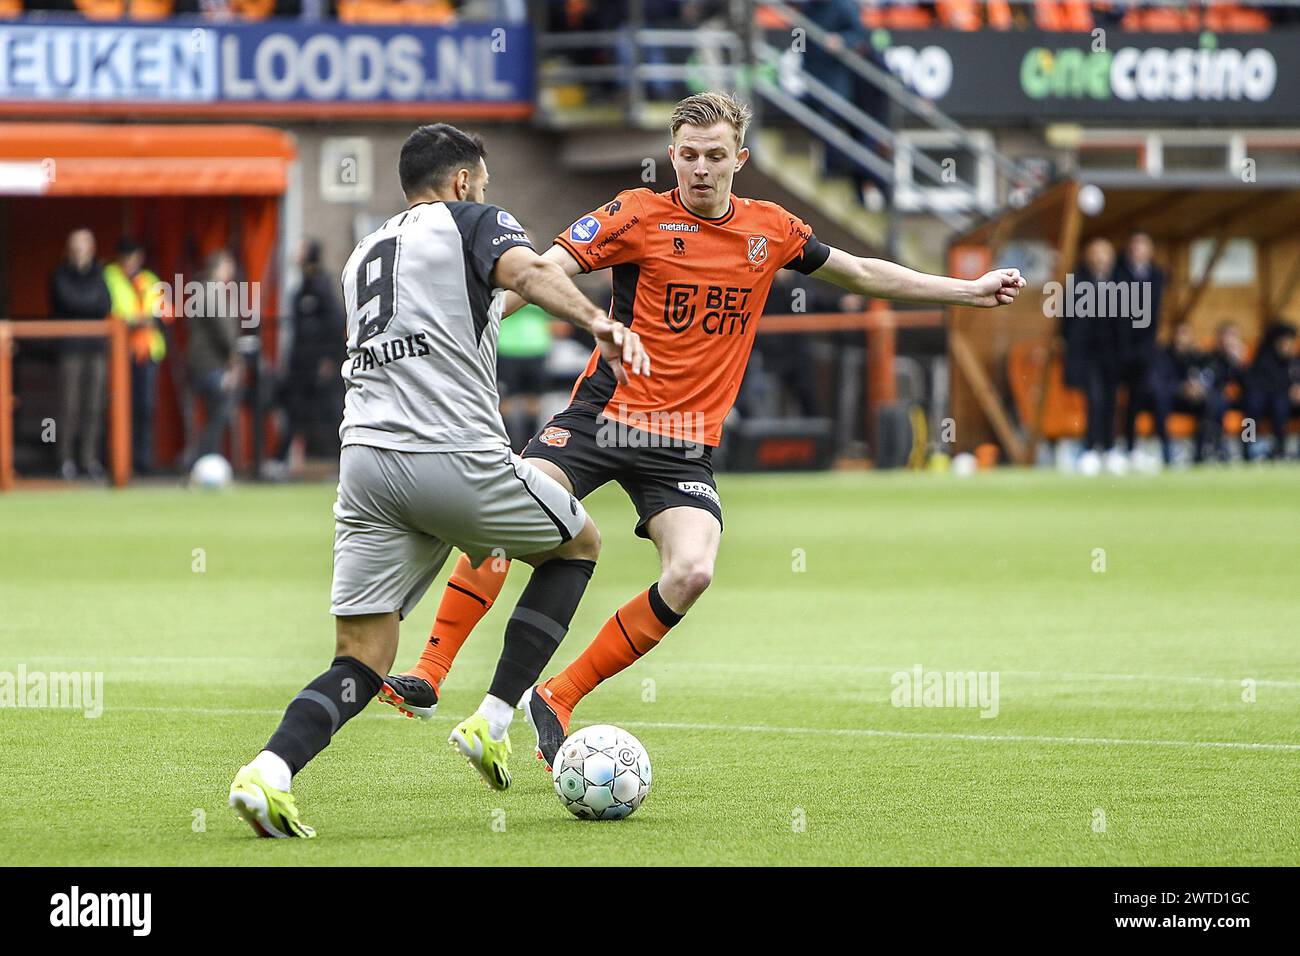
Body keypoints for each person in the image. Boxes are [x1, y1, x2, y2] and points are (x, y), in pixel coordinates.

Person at [378, 92, 1025, 768]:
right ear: (673, 157)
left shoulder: (770, 229)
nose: (701, 169)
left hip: (685, 441)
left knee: (691, 572)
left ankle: (557, 697)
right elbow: (540, 273)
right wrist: (457, 334)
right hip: (603, 420)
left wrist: (967, 290)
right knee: (510, 510)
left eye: (716, 156)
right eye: (688, 156)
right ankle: (430, 672)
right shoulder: (635, 213)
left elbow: (862, 273)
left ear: (739, 159)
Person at [227, 123, 649, 838]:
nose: (487, 196)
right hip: (449, 452)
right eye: (483, 184)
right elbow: (529, 272)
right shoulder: (472, 221)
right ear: (462, 182)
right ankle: (494, 718)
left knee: (361, 657)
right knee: (578, 543)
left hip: (363, 463)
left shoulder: (365, 248)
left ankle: (268, 772)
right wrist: (594, 322)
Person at [273, 239, 346, 472]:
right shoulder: (299, 290)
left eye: (301, 250)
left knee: (332, 414)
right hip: (299, 366)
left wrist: (330, 359)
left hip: (318, 366)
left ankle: (343, 461)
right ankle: (278, 461)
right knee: (294, 413)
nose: (295, 254)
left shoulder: (322, 288)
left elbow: (336, 325)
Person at [49, 229, 111, 480]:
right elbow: (67, 301)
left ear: (92, 248)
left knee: (94, 405)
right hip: (70, 348)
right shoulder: (59, 274)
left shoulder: (100, 274)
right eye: (75, 245)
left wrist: (85, 304)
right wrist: (87, 305)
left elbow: (104, 304)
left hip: (95, 348)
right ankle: (64, 459)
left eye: (83, 245)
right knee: (68, 405)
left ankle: (89, 458)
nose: (79, 250)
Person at [104, 238, 170, 474]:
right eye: (125, 256)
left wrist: (150, 319)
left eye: (133, 256)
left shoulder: (150, 279)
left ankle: (143, 460)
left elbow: (166, 313)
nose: (130, 261)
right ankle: (119, 460)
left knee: (146, 407)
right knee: (120, 405)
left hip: (148, 351)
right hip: (122, 351)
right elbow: (108, 310)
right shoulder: (110, 277)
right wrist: (133, 321)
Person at [1064, 238, 1125, 476]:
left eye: (1104, 254)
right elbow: (1068, 322)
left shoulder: (1119, 282)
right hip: (1088, 354)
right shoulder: (1078, 282)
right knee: (1095, 400)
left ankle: (1110, 449)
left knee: (1111, 401)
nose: (1100, 259)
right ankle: (1090, 449)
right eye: (1096, 254)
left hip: (1112, 354)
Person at [184, 249, 243, 468]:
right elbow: (224, 330)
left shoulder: (199, 291)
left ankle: (201, 461)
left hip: (201, 364)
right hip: (212, 365)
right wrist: (235, 358)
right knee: (217, 416)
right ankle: (201, 463)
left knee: (213, 416)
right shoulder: (212, 292)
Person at [1117, 230, 1165, 463]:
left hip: (1144, 350)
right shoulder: (1118, 274)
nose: (1138, 251)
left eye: (1143, 246)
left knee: (1140, 398)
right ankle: (1108, 448)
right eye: (1135, 246)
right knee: (1112, 399)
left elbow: (1154, 316)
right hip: (1119, 348)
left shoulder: (1157, 276)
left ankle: (1134, 447)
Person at [1149, 320, 1218, 465]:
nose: (1182, 338)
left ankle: (1203, 452)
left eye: (1185, 334)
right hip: (1171, 398)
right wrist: (1182, 388)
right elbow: (1159, 383)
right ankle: (1166, 452)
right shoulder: (1163, 355)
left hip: (1190, 400)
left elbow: (1209, 376)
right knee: (1161, 400)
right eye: (1179, 334)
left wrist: (1199, 388)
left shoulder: (1197, 356)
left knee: (1213, 402)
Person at [496, 296, 555, 451]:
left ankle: (530, 447)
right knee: (505, 402)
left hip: (537, 348)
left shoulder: (543, 284)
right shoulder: (504, 284)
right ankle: (507, 447)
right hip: (506, 347)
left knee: (533, 402)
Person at [1243, 321, 1300, 461]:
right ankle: (1248, 445)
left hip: (1286, 404)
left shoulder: (1294, 361)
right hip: (1261, 402)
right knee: (1252, 407)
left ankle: (1281, 448)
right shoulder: (1263, 359)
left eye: (1290, 342)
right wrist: (1288, 390)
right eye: (1285, 342)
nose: (1288, 346)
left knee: (1281, 406)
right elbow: (1255, 383)